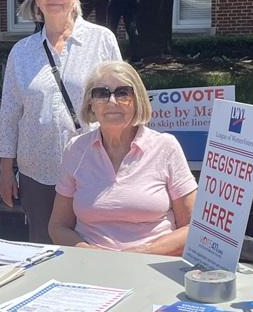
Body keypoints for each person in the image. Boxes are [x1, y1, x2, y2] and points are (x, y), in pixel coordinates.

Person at [0, 0, 122, 244]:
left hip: (92, 170)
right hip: (37, 174)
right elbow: (10, 113)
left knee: (94, 249)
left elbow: (122, 104)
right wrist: (6, 171)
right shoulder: (21, 52)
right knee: (42, 250)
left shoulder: (102, 40)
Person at [48, 61, 197, 256]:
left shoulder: (166, 147)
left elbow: (194, 227)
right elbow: (58, 226)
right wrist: (92, 255)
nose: (111, 102)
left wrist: (139, 253)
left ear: (138, 100)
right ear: (90, 103)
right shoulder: (76, 149)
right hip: (91, 266)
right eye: (101, 93)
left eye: (122, 93)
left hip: (153, 264)